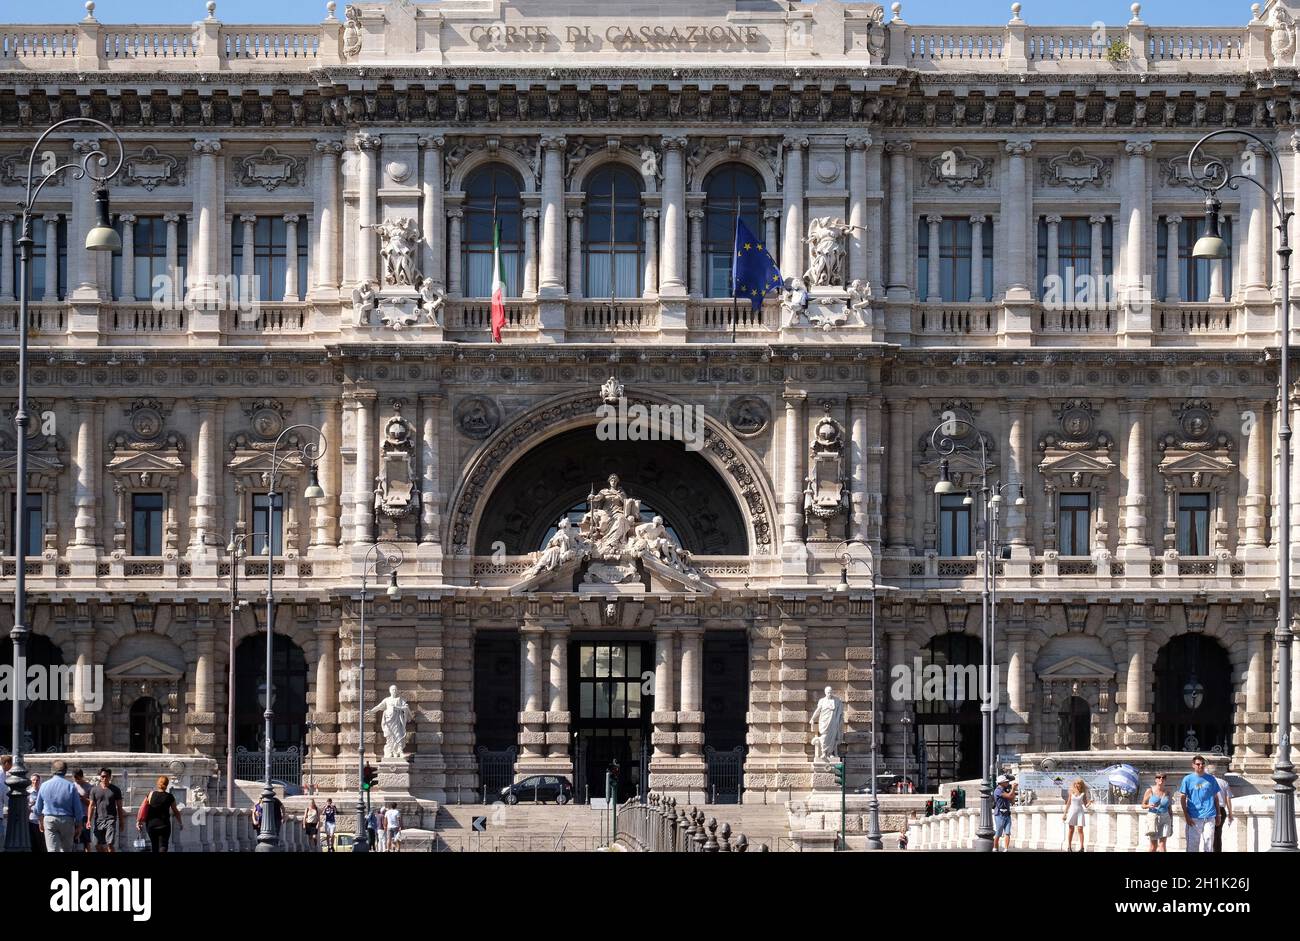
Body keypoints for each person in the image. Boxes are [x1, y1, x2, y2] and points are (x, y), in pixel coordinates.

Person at [34, 760, 83, 852]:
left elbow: (37, 808)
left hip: (49, 819)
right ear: (65, 771)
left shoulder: (44, 785)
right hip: (67, 820)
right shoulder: (71, 786)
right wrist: (79, 825)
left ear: (52, 770)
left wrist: (40, 820)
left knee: (52, 849)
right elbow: (78, 809)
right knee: (66, 849)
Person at [1178, 755, 1221, 853]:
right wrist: (1186, 815)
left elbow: (1216, 797)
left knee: (1208, 844)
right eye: (1198, 764)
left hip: (1209, 816)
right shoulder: (1187, 779)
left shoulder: (1211, 779)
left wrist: (1218, 814)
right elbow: (1182, 798)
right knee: (1193, 845)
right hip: (1194, 817)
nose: (1200, 766)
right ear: (1193, 765)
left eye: (1202, 764)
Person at [137, 775, 183, 853]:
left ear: (158, 783)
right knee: (163, 846)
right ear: (167, 784)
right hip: (164, 825)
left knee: (154, 846)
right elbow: (175, 811)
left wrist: (139, 821)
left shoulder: (150, 794)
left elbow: (142, 808)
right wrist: (180, 823)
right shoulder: (170, 797)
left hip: (151, 825)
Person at [88, 767, 125, 853]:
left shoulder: (116, 790)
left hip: (110, 820)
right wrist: (88, 820)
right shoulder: (94, 790)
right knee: (96, 844)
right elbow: (91, 805)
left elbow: (119, 806)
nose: (104, 778)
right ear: (100, 777)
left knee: (110, 843)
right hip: (98, 820)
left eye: (106, 776)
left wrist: (121, 821)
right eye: (102, 776)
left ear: (110, 777)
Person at [1141, 772, 1173, 852]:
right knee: (1153, 846)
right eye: (1159, 777)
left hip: (1165, 818)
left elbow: (1170, 808)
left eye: (1163, 777)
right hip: (1153, 817)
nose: (1161, 779)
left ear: (1165, 779)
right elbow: (1143, 805)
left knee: (1162, 844)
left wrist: (1171, 823)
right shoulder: (1150, 791)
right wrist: (1149, 806)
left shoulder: (1168, 792)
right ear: (1155, 779)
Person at [1211, 763, 1234, 852]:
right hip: (1221, 810)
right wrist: (1230, 814)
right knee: (1218, 833)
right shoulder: (1224, 782)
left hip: (1210, 809)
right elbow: (1228, 800)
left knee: (1209, 832)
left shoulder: (1206, 782)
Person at [1063, 778, 1090, 852]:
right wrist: (1065, 814)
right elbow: (1068, 804)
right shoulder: (1071, 793)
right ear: (1074, 784)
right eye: (1076, 783)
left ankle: (1082, 847)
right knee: (1071, 829)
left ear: (1081, 785)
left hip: (1080, 812)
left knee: (1080, 829)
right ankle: (1069, 847)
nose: (1077, 785)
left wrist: (1090, 802)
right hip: (1072, 811)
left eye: (1079, 784)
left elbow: (1085, 805)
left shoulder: (1083, 794)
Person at [993, 774, 1017, 852]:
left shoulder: (1005, 790)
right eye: (1006, 782)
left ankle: (1006, 849)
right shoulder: (998, 790)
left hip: (1007, 814)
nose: (1007, 783)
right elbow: (1008, 796)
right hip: (999, 814)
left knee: (1007, 832)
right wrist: (1013, 789)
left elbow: (1012, 800)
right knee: (998, 832)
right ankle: (995, 848)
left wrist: (1012, 792)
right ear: (1001, 783)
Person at [71, 769, 93, 852]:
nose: (76, 779)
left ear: (81, 776)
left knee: (86, 840)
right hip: (73, 816)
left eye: (77, 777)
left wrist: (82, 798)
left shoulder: (88, 786)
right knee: (74, 838)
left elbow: (92, 803)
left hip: (84, 816)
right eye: (74, 778)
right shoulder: (72, 786)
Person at [27, 772, 45, 853]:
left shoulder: (43, 792)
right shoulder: (28, 793)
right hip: (31, 821)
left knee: (41, 844)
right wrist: (30, 806)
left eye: (37, 780)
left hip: (42, 822)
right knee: (32, 843)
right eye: (33, 780)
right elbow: (25, 807)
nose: (35, 782)